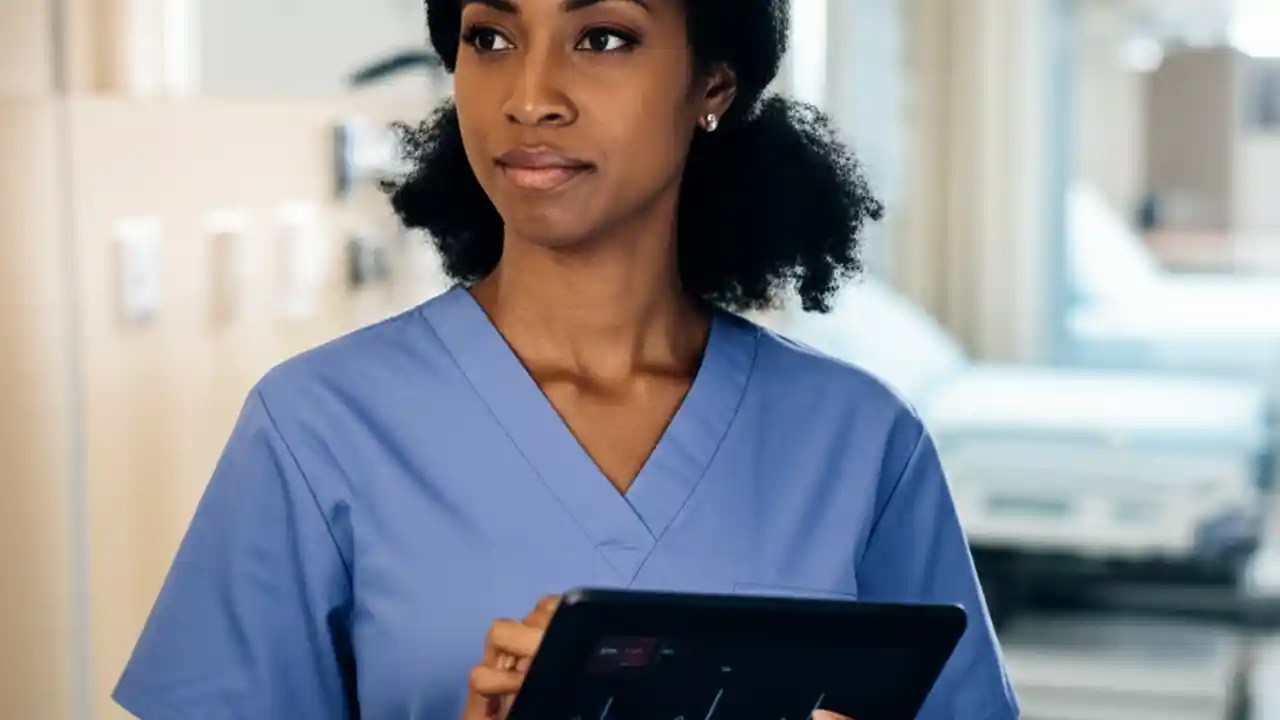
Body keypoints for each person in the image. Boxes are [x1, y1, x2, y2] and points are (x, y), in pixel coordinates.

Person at [113, 0, 1021, 717]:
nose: (530, 95)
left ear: (713, 82)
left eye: (603, 37)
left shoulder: (859, 442)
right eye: (491, 37)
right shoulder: (317, 427)